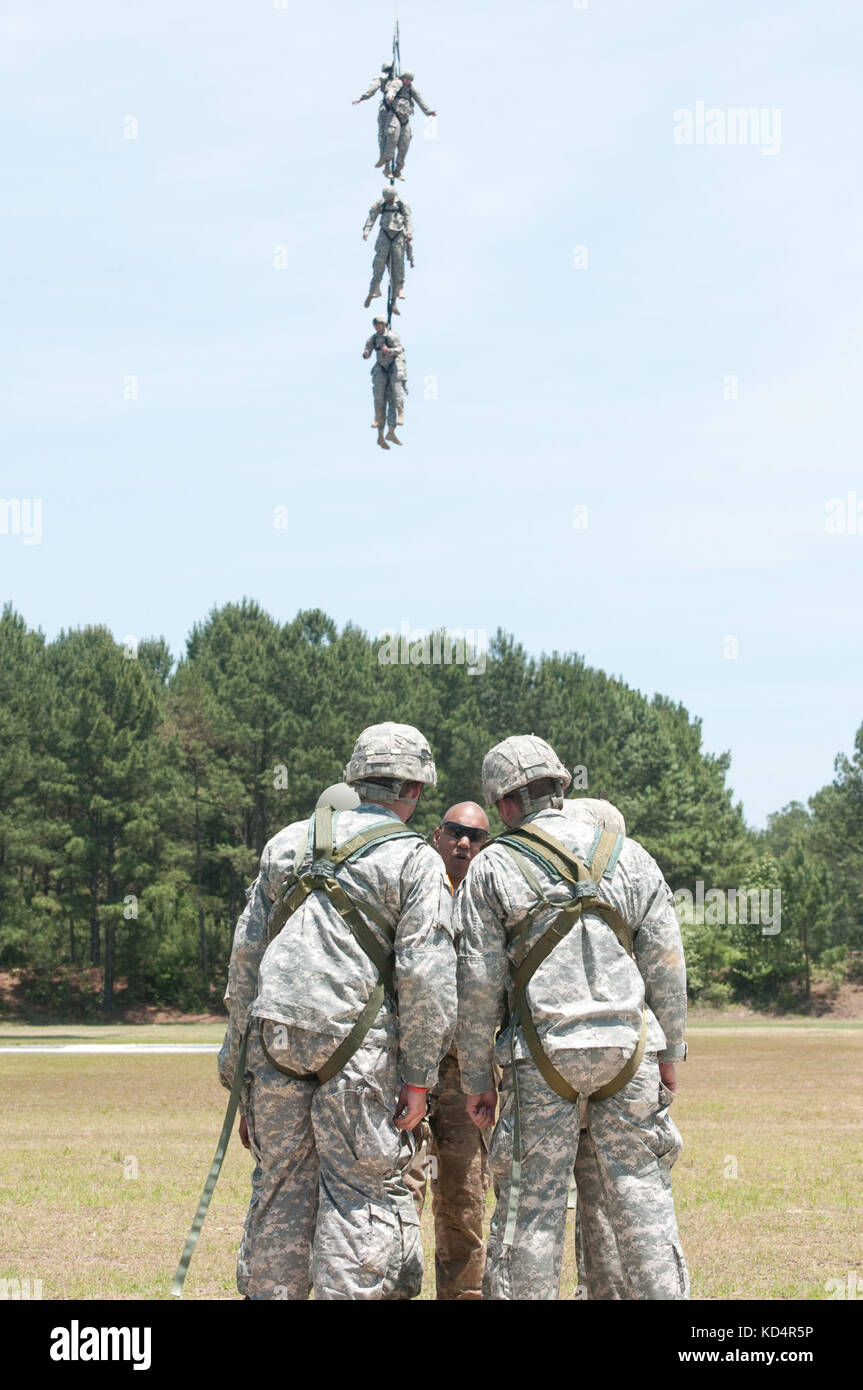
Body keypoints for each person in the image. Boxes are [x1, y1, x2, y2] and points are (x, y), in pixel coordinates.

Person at [218, 722, 456, 1300]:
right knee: (360, 1199)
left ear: (354, 778)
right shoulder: (413, 859)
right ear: (416, 790)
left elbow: (245, 959)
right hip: (357, 1054)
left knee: (278, 1192)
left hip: (274, 1045)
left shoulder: (285, 844)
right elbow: (427, 977)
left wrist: (238, 1069)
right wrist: (421, 1077)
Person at [456, 735, 689, 1300]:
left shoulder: (493, 866)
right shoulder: (629, 856)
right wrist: (670, 1056)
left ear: (504, 803)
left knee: (529, 1215)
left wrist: (476, 1080)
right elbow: (666, 964)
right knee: (644, 1202)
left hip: (542, 1060)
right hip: (628, 1054)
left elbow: (476, 985)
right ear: (560, 786)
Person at [404, 802, 492, 1300]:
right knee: (401, 1191)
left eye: (476, 837)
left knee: (464, 1199)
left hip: (465, 1075)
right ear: (437, 835)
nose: (464, 843)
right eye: (456, 832)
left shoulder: (491, 903)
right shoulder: (408, 889)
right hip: (406, 1069)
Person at [377, 70, 436, 179]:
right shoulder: (397, 83)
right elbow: (392, 90)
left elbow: (420, 100)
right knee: (392, 139)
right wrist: (390, 96)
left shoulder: (411, 89)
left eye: (409, 79)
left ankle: (398, 170)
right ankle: (387, 169)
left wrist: (428, 111)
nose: (407, 81)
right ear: (402, 78)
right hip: (394, 115)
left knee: (405, 143)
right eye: (406, 78)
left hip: (405, 119)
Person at [363, 186, 414, 312]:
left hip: (398, 235)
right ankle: (374, 288)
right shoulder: (381, 203)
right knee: (379, 261)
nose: (389, 202)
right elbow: (372, 215)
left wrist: (409, 232)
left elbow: (408, 219)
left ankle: (399, 289)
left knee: (397, 264)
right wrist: (366, 230)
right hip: (385, 234)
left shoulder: (402, 204)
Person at [363, 313, 406, 449]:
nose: (377, 326)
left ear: (384, 324)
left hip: (392, 368)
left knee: (394, 396)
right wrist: (366, 353)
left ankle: (394, 425)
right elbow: (368, 347)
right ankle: (380, 431)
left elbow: (400, 349)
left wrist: (389, 350)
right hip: (381, 369)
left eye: (379, 324)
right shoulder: (374, 338)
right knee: (379, 398)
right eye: (376, 324)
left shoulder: (392, 336)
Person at [352, 60, 396, 164]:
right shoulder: (398, 79)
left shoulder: (382, 77)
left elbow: (372, 89)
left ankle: (383, 156)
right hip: (396, 108)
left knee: (382, 133)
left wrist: (362, 98)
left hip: (387, 107)